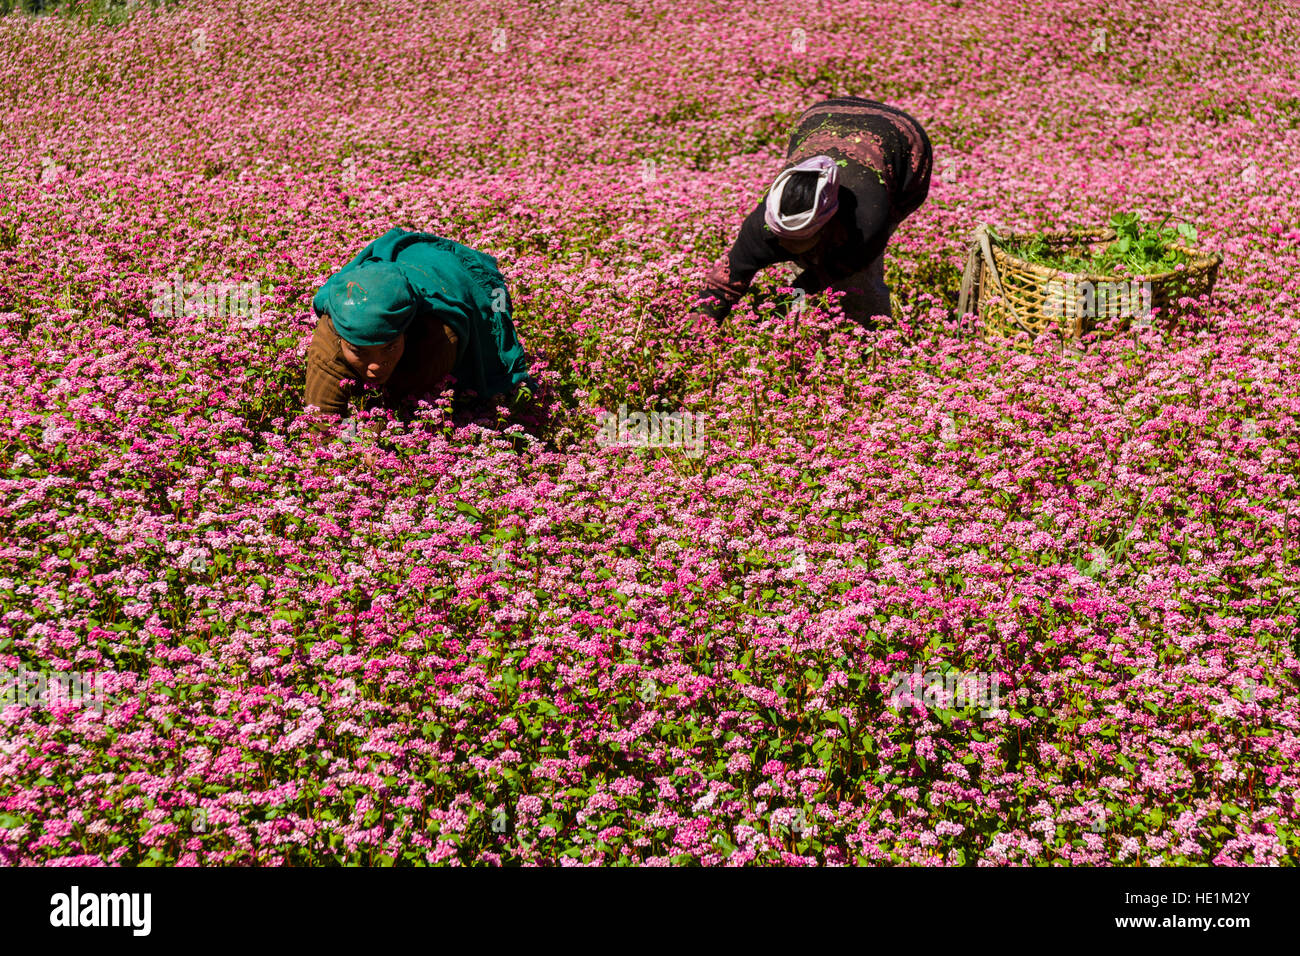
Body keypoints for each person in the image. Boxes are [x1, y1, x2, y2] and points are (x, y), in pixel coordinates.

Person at [690, 97, 932, 326]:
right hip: (820, 120)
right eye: (781, 240)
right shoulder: (758, 228)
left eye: (799, 240)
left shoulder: (867, 223)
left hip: (903, 141)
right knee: (804, 277)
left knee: (857, 281)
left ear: (827, 226)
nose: (785, 247)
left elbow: (837, 268)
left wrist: (790, 297)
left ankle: (869, 333)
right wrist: (696, 329)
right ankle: (811, 329)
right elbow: (723, 286)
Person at [304, 228, 534, 430]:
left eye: (389, 348)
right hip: (394, 283)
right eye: (359, 351)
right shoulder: (330, 339)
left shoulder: (436, 338)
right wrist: (353, 442)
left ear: (406, 333)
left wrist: (380, 431)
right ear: (341, 339)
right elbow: (324, 423)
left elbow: (403, 416)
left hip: (452, 274)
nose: (374, 367)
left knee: (492, 331)